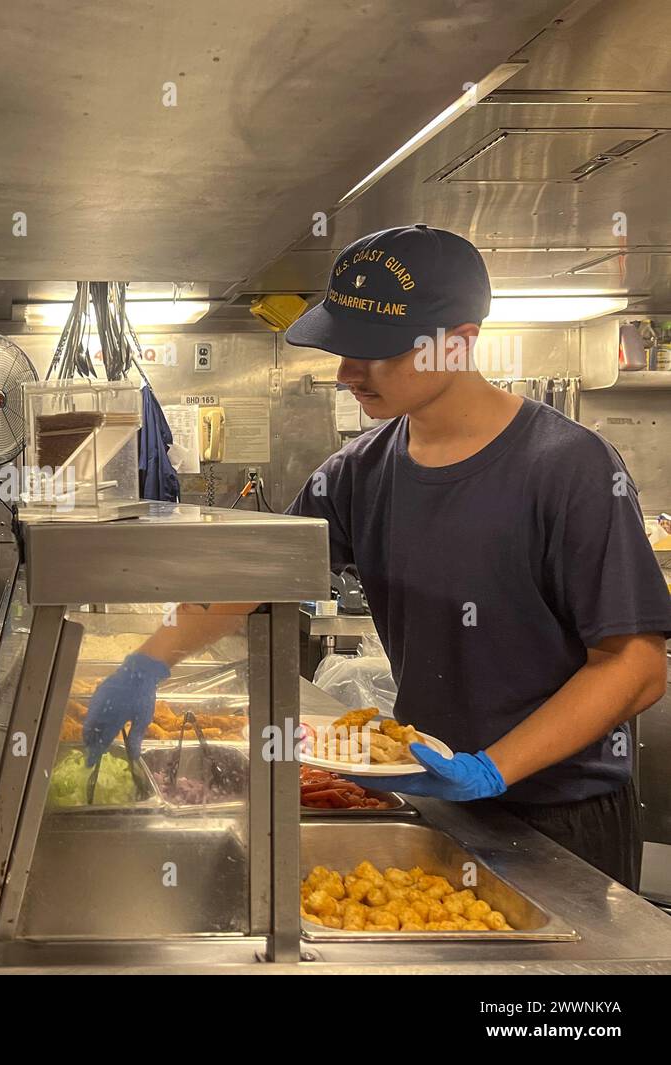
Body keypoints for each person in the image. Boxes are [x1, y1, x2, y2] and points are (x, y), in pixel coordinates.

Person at [85, 224, 671, 889]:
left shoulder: (569, 468)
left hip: (563, 816)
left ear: (459, 342)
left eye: (374, 351)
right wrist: (150, 657)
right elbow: (258, 575)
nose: (346, 373)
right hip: (438, 801)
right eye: (341, 348)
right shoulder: (359, 471)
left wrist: (494, 767)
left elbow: (637, 666)